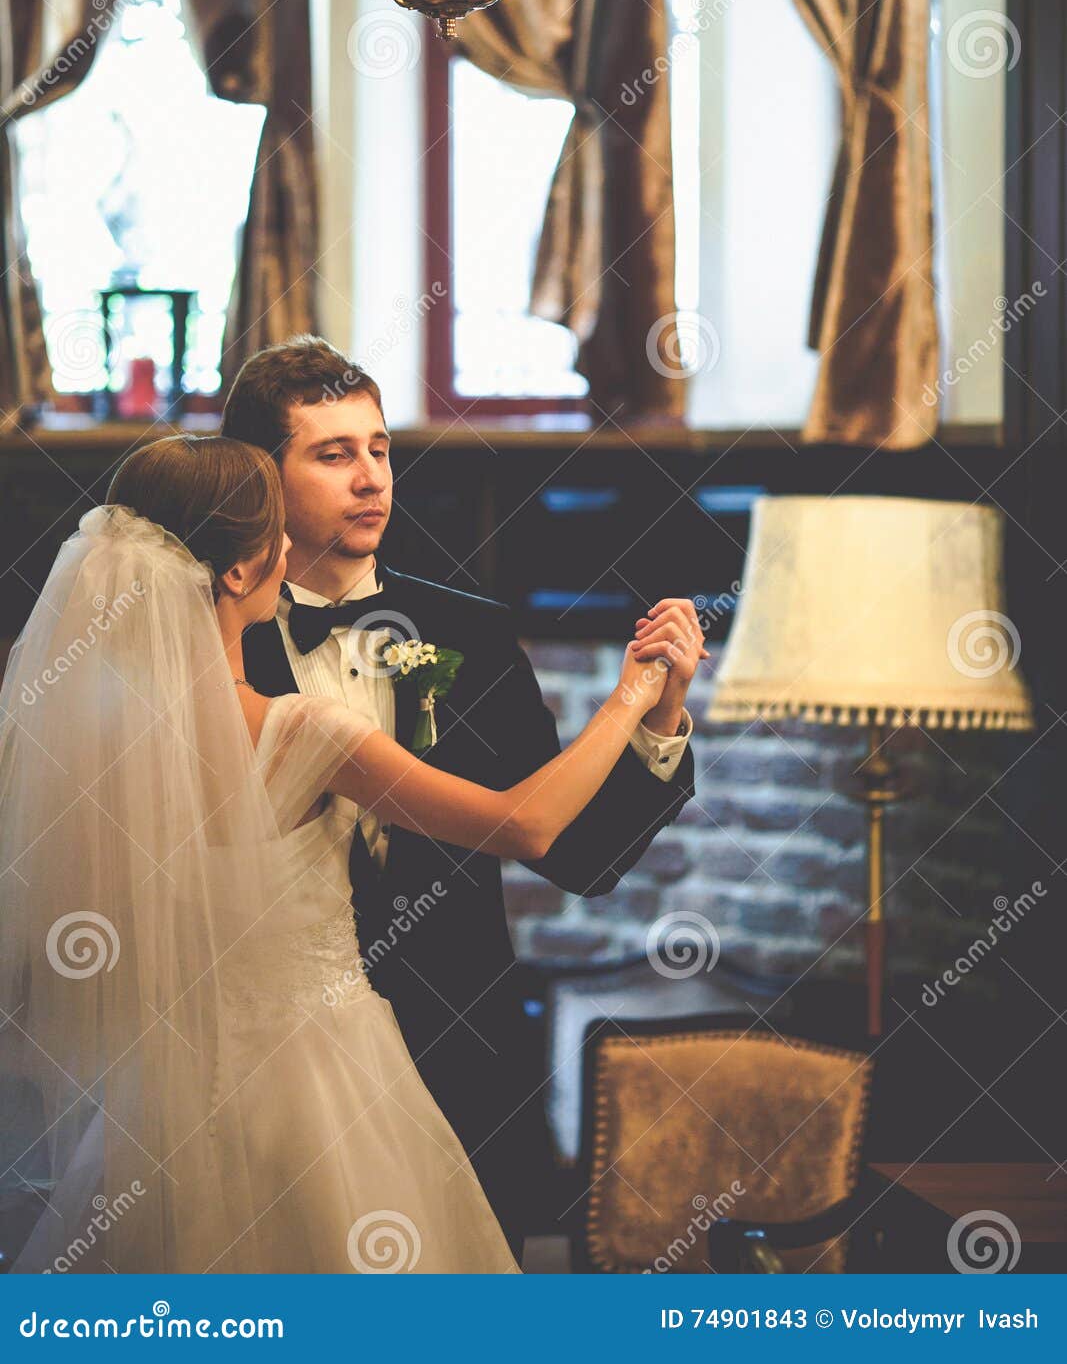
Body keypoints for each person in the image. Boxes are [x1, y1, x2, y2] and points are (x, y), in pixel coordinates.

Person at [0, 437, 694, 1274]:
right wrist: (633, 695)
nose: (289, 547)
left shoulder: (82, 735)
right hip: (320, 1085)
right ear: (234, 571)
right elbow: (527, 824)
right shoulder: (303, 727)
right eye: (276, 532)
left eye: (379, 450)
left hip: (151, 1107)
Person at [222, 337, 703, 1251]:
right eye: (333, 455)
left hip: (458, 1047)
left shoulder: (468, 635)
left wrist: (659, 722)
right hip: (261, 1058)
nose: (370, 479)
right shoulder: (214, 645)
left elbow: (575, 855)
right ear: (261, 478)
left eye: (379, 450)